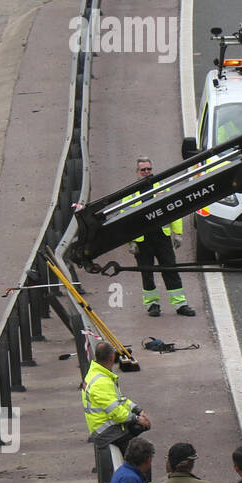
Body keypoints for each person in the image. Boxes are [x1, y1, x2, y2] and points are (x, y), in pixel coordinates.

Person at [131, 156, 195, 318]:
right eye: (143, 170)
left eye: (149, 169)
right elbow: (126, 220)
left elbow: (174, 211)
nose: (146, 172)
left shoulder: (162, 188)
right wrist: (131, 241)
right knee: (147, 272)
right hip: (142, 240)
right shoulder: (130, 194)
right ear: (137, 172)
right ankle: (153, 305)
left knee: (170, 269)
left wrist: (178, 233)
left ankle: (180, 305)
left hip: (161, 236)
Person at [82, 341, 150, 454]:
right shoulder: (102, 382)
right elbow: (116, 412)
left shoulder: (97, 373)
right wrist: (137, 419)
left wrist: (137, 410)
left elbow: (119, 400)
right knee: (141, 454)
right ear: (112, 357)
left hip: (106, 426)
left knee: (142, 426)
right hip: (106, 432)